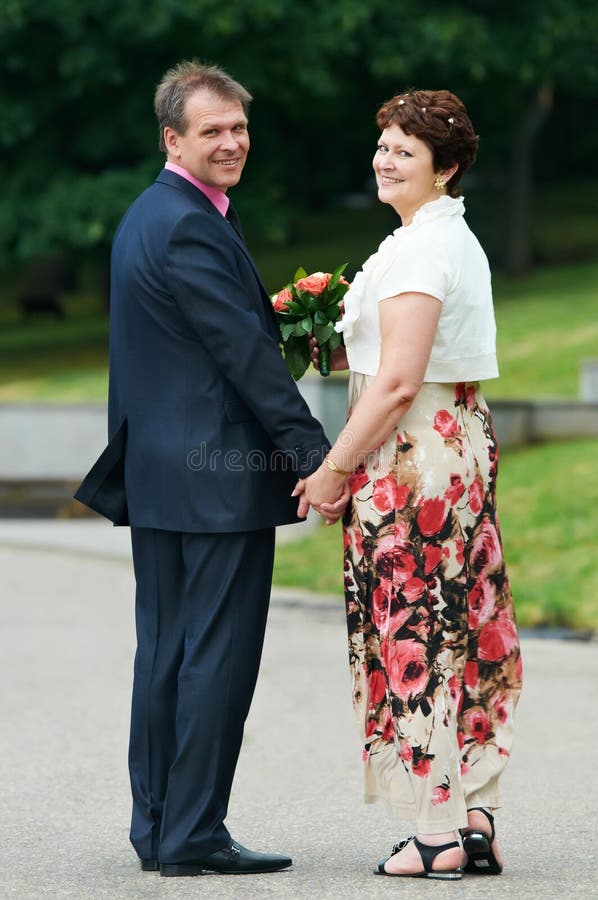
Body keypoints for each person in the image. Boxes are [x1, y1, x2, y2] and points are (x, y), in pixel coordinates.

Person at [75, 60, 345, 877]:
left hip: (162, 474)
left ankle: (160, 828)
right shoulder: (189, 223)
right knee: (215, 657)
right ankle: (191, 835)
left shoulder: (148, 215)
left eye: (239, 128)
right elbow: (243, 357)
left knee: (165, 652)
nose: (231, 143)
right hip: (215, 479)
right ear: (173, 139)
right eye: (212, 131)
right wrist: (317, 457)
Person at [299, 89, 522, 879]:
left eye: (405, 151)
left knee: (414, 628)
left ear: (445, 168)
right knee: (467, 620)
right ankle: (474, 815)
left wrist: (334, 468)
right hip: (453, 444)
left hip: (413, 457)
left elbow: (397, 382)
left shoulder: (423, 250)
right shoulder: (439, 236)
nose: (385, 160)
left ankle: (434, 834)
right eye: (384, 145)